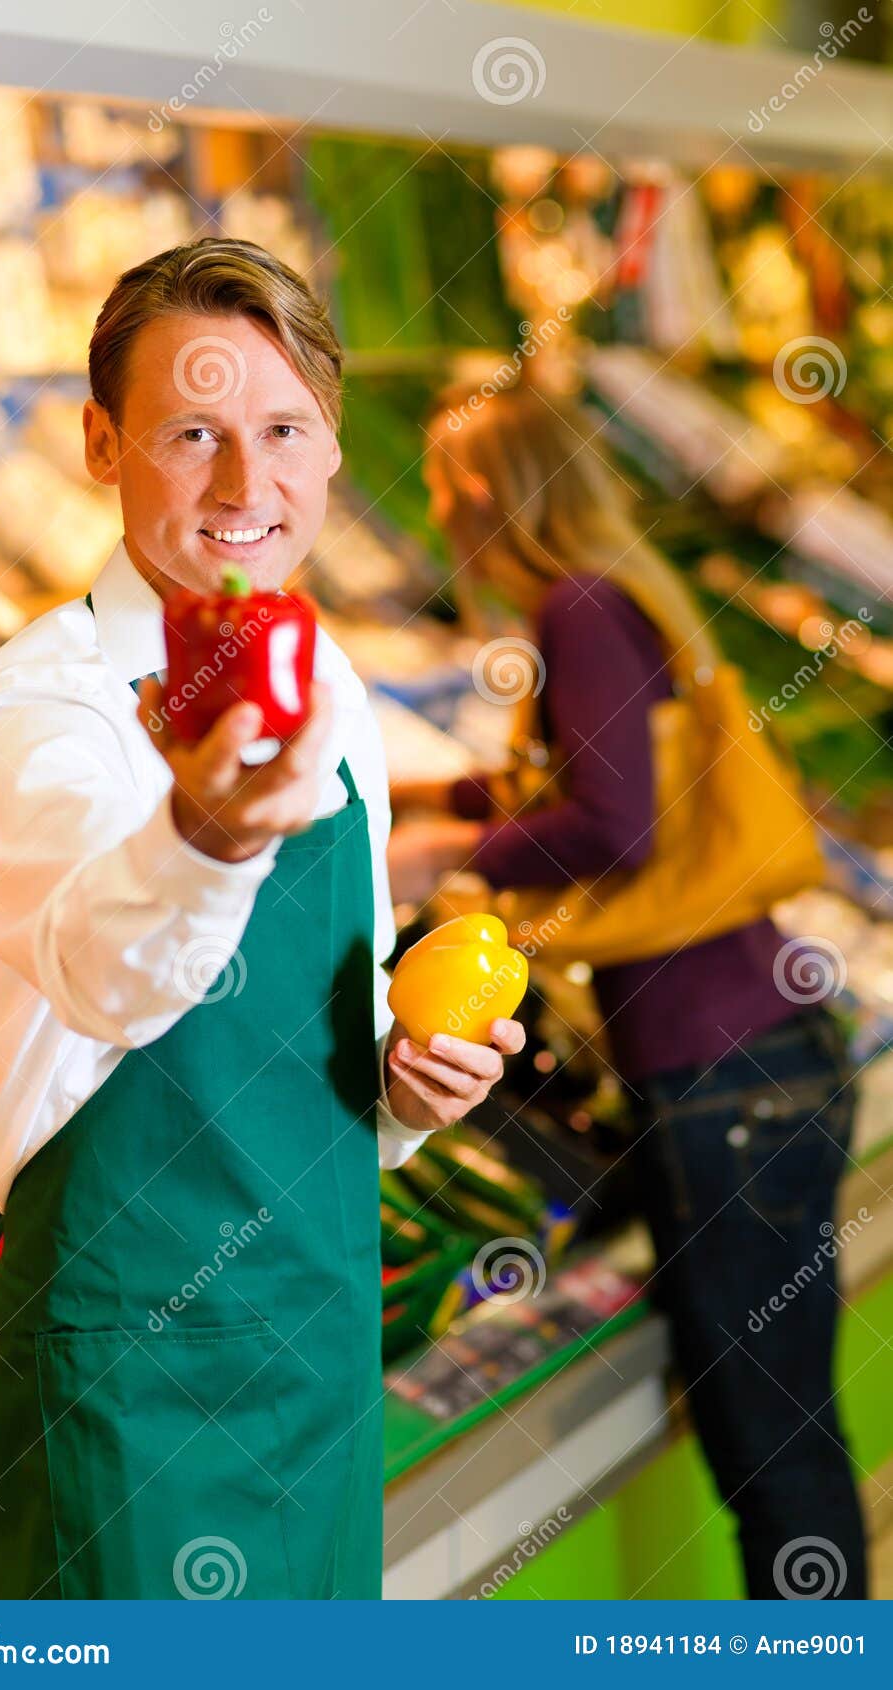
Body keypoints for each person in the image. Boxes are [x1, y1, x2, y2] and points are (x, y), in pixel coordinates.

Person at [0, 240, 525, 1600]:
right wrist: (207, 831)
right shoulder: (36, 715)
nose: (246, 486)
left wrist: (414, 1086)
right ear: (98, 442)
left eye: (283, 431)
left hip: (312, 1362)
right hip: (126, 1385)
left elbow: (329, 1055)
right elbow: (103, 971)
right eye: (192, 433)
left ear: (325, 452)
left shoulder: (338, 697)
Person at [389, 381, 868, 1600]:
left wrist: (458, 859)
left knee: (772, 1450)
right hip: (756, 1057)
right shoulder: (617, 588)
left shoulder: (577, 604)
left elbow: (613, 821)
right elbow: (597, 783)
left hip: (725, 1079)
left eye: (448, 488)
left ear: (492, 489)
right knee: (778, 1434)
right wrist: (445, 805)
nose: (439, 511)